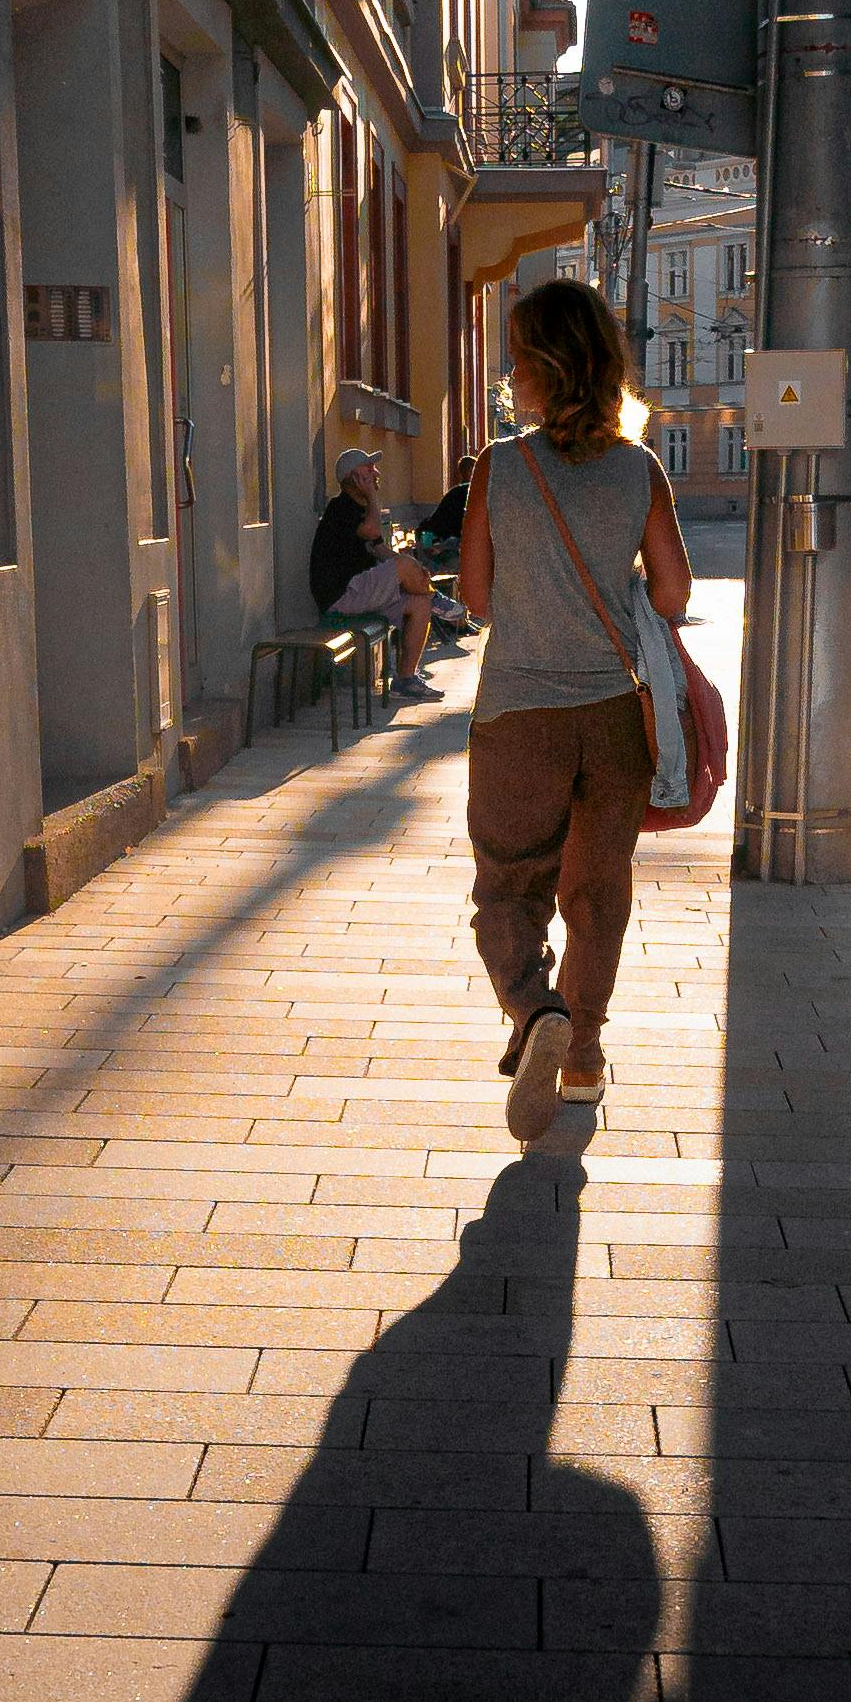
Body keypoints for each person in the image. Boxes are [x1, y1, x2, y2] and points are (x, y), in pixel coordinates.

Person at [454, 277, 690, 1143]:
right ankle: (582, 1054)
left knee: (509, 888)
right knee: (598, 892)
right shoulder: (640, 470)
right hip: (613, 717)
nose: (511, 375)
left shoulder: (501, 467)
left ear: (546, 368)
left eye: (518, 358)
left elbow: (476, 598)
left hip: (519, 714)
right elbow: (672, 592)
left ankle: (532, 1007)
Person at [306, 451, 434, 689]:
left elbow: (380, 549)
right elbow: (373, 531)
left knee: (420, 603)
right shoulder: (340, 507)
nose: (376, 473)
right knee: (405, 566)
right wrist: (372, 496)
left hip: (361, 594)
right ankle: (439, 600)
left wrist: (417, 570)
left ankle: (406, 679)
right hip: (342, 596)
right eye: (368, 469)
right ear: (353, 478)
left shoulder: (363, 509)